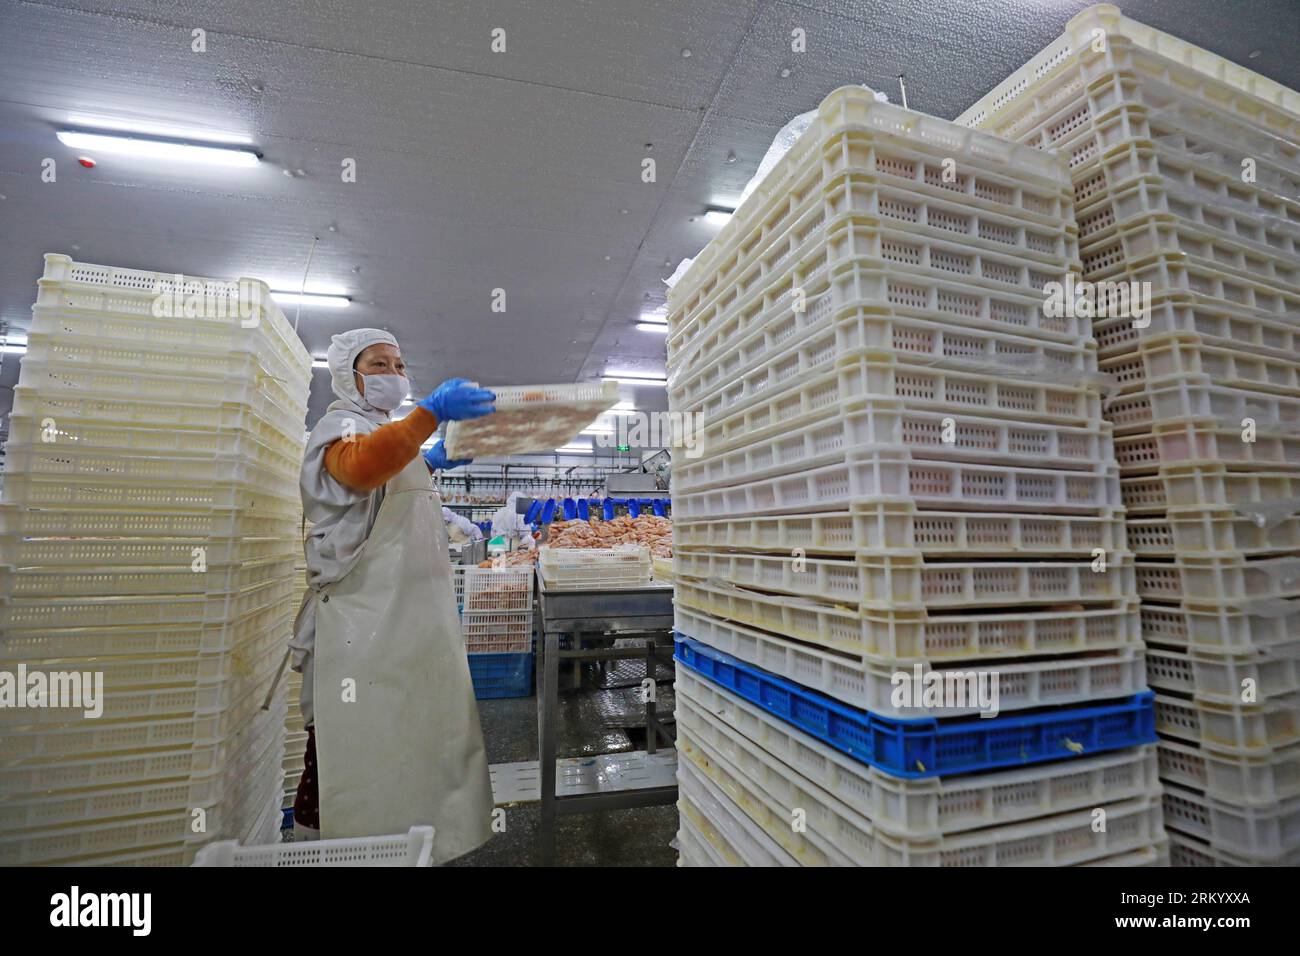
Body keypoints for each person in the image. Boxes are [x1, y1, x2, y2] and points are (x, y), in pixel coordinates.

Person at [289, 327, 497, 863]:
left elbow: (387, 483)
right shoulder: (339, 427)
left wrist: (430, 461)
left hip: (404, 625)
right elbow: (360, 470)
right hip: (356, 631)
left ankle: (406, 849)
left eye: (400, 364)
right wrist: (428, 414)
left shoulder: (388, 435)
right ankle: (329, 856)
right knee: (345, 755)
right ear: (349, 375)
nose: (395, 373)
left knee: (405, 747)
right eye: (379, 364)